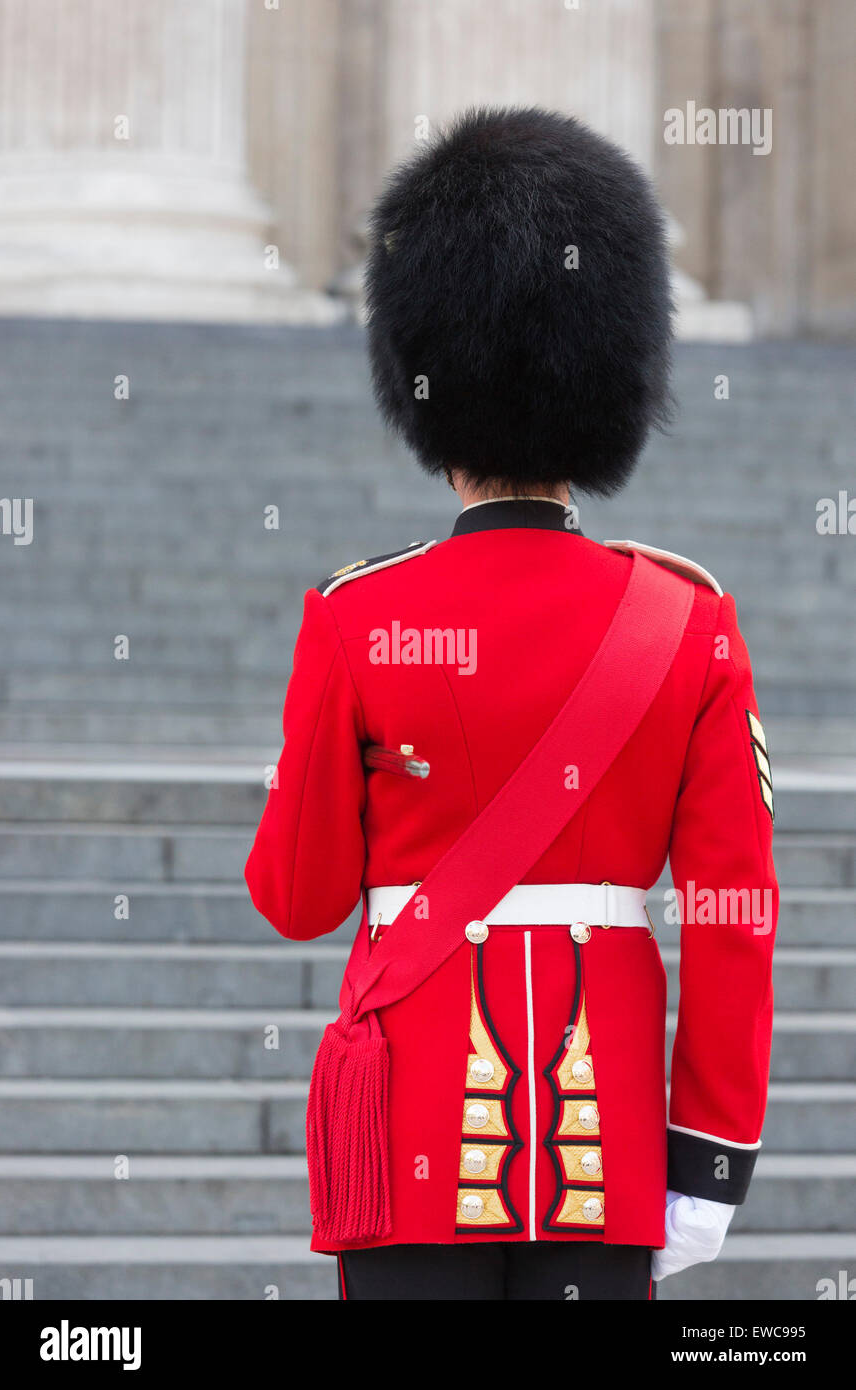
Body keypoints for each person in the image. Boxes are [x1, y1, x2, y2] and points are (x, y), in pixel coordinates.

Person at [245, 106, 778, 1301]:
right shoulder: (687, 623)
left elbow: (298, 894)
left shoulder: (356, 617)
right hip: (603, 1151)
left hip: (410, 1153)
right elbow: (733, 915)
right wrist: (705, 1156)